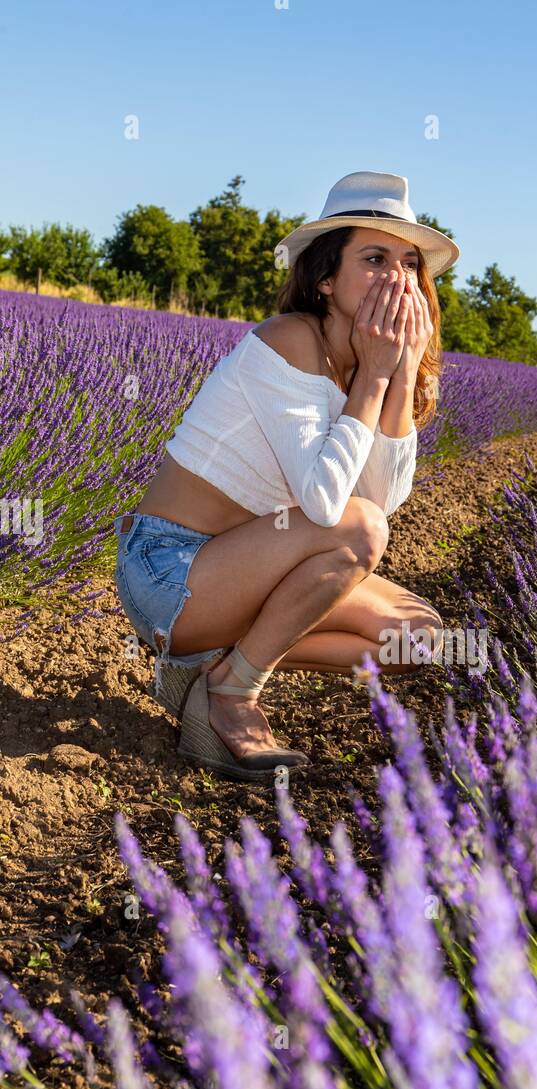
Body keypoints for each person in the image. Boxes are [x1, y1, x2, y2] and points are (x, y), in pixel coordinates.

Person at [112, 171, 460, 782]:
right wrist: (375, 378)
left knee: (418, 638)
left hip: (244, 569)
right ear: (326, 278)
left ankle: (215, 664)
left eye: (409, 264)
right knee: (356, 528)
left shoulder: (365, 365)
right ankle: (235, 692)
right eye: (375, 258)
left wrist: (398, 374)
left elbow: (381, 498)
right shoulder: (289, 340)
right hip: (170, 573)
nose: (397, 278)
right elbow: (333, 509)